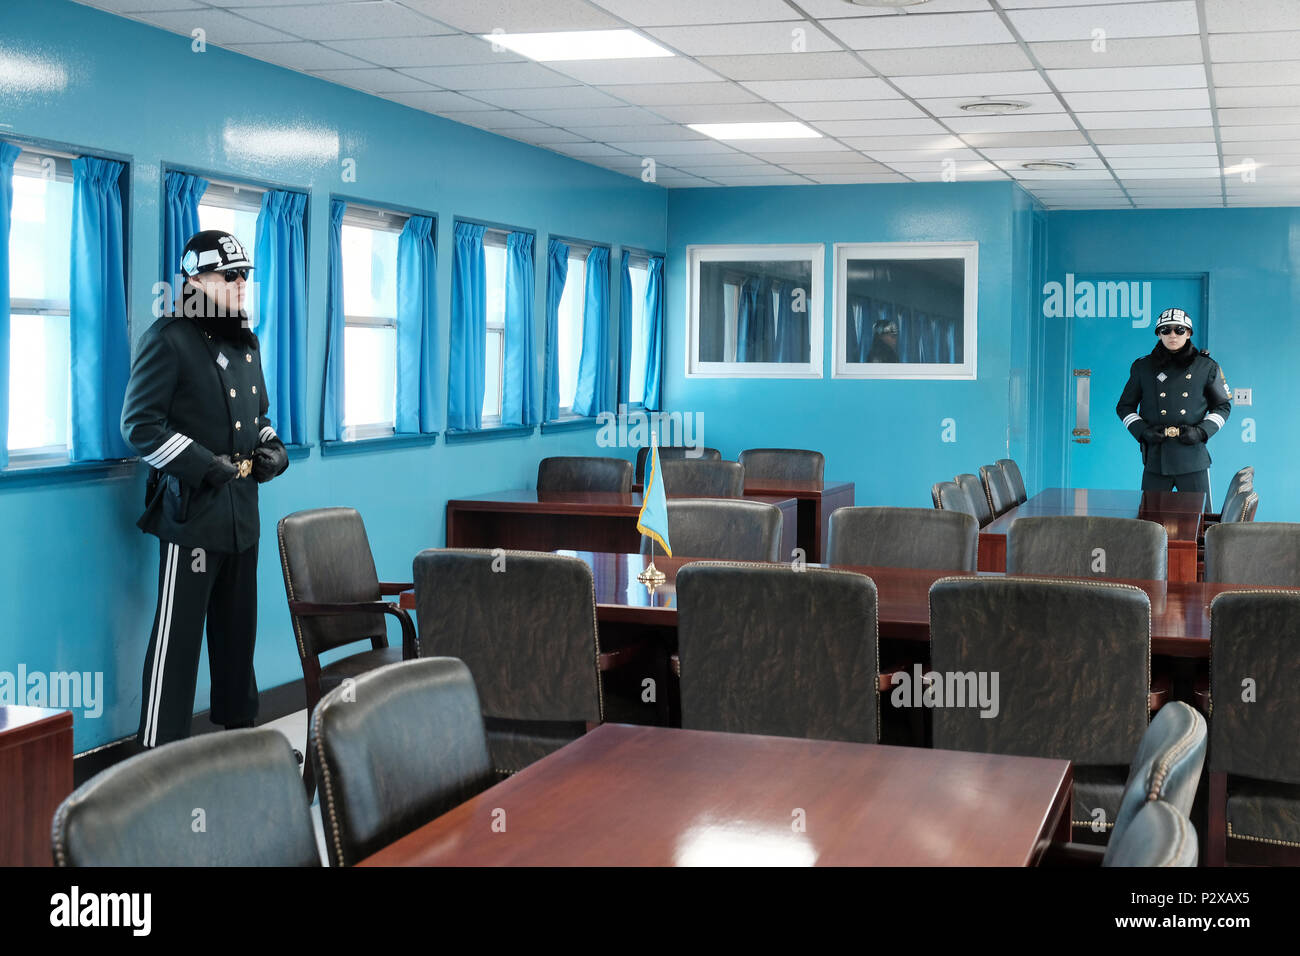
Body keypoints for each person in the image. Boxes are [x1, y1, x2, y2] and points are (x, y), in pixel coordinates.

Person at [120, 230, 288, 748]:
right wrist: (202, 466)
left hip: (242, 513)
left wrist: (274, 447)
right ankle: (155, 759)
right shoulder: (168, 337)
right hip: (193, 515)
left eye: (245, 276)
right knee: (178, 643)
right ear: (195, 280)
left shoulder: (246, 340)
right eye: (229, 276)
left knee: (238, 638)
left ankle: (241, 745)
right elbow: (139, 426)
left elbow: (254, 416)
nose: (241, 285)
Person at [1116, 307, 1231, 500]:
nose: (1173, 335)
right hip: (1156, 457)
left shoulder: (1206, 366)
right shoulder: (1142, 366)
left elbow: (1222, 406)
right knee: (1150, 521)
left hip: (1193, 457)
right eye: (1166, 330)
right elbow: (1124, 406)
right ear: (1158, 334)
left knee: (1200, 521)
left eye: (1179, 330)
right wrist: (1142, 431)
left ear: (1188, 333)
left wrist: (1202, 432)